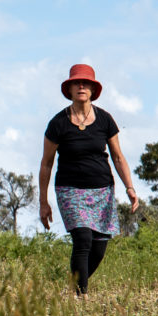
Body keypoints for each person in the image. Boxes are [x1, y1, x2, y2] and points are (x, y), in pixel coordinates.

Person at [39, 64, 141, 295]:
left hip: (102, 190)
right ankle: (81, 298)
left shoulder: (105, 119)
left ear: (93, 90)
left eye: (86, 83)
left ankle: (75, 286)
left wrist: (130, 187)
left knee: (98, 250)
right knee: (83, 238)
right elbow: (46, 163)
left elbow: (117, 156)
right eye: (77, 82)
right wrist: (43, 202)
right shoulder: (58, 123)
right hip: (70, 190)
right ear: (70, 88)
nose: (81, 86)